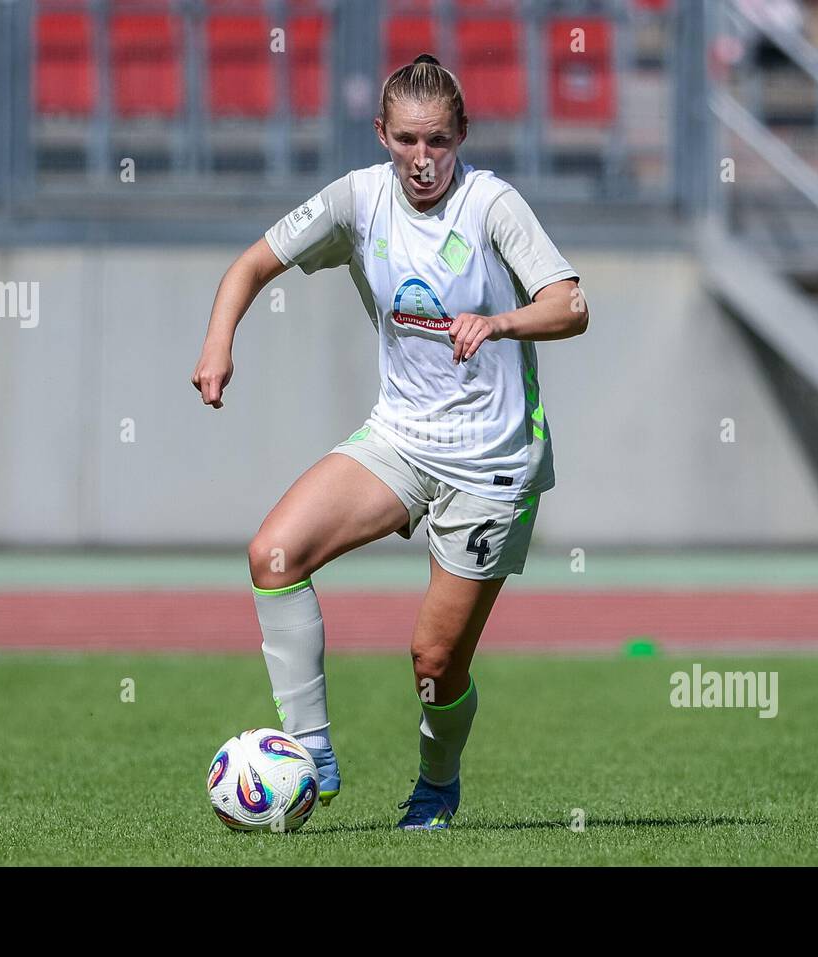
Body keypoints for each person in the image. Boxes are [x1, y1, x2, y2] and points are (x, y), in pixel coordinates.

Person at [191, 53, 588, 830]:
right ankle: (312, 755)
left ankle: (437, 784)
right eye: (406, 139)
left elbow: (570, 306)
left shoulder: (491, 204)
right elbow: (250, 264)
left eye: (438, 140)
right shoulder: (359, 198)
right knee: (273, 555)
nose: (422, 159)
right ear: (382, 134)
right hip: (400, 438)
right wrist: (217, 345)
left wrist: (501, 321)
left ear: (462, 134)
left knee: (435, 665)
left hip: (490, 461)